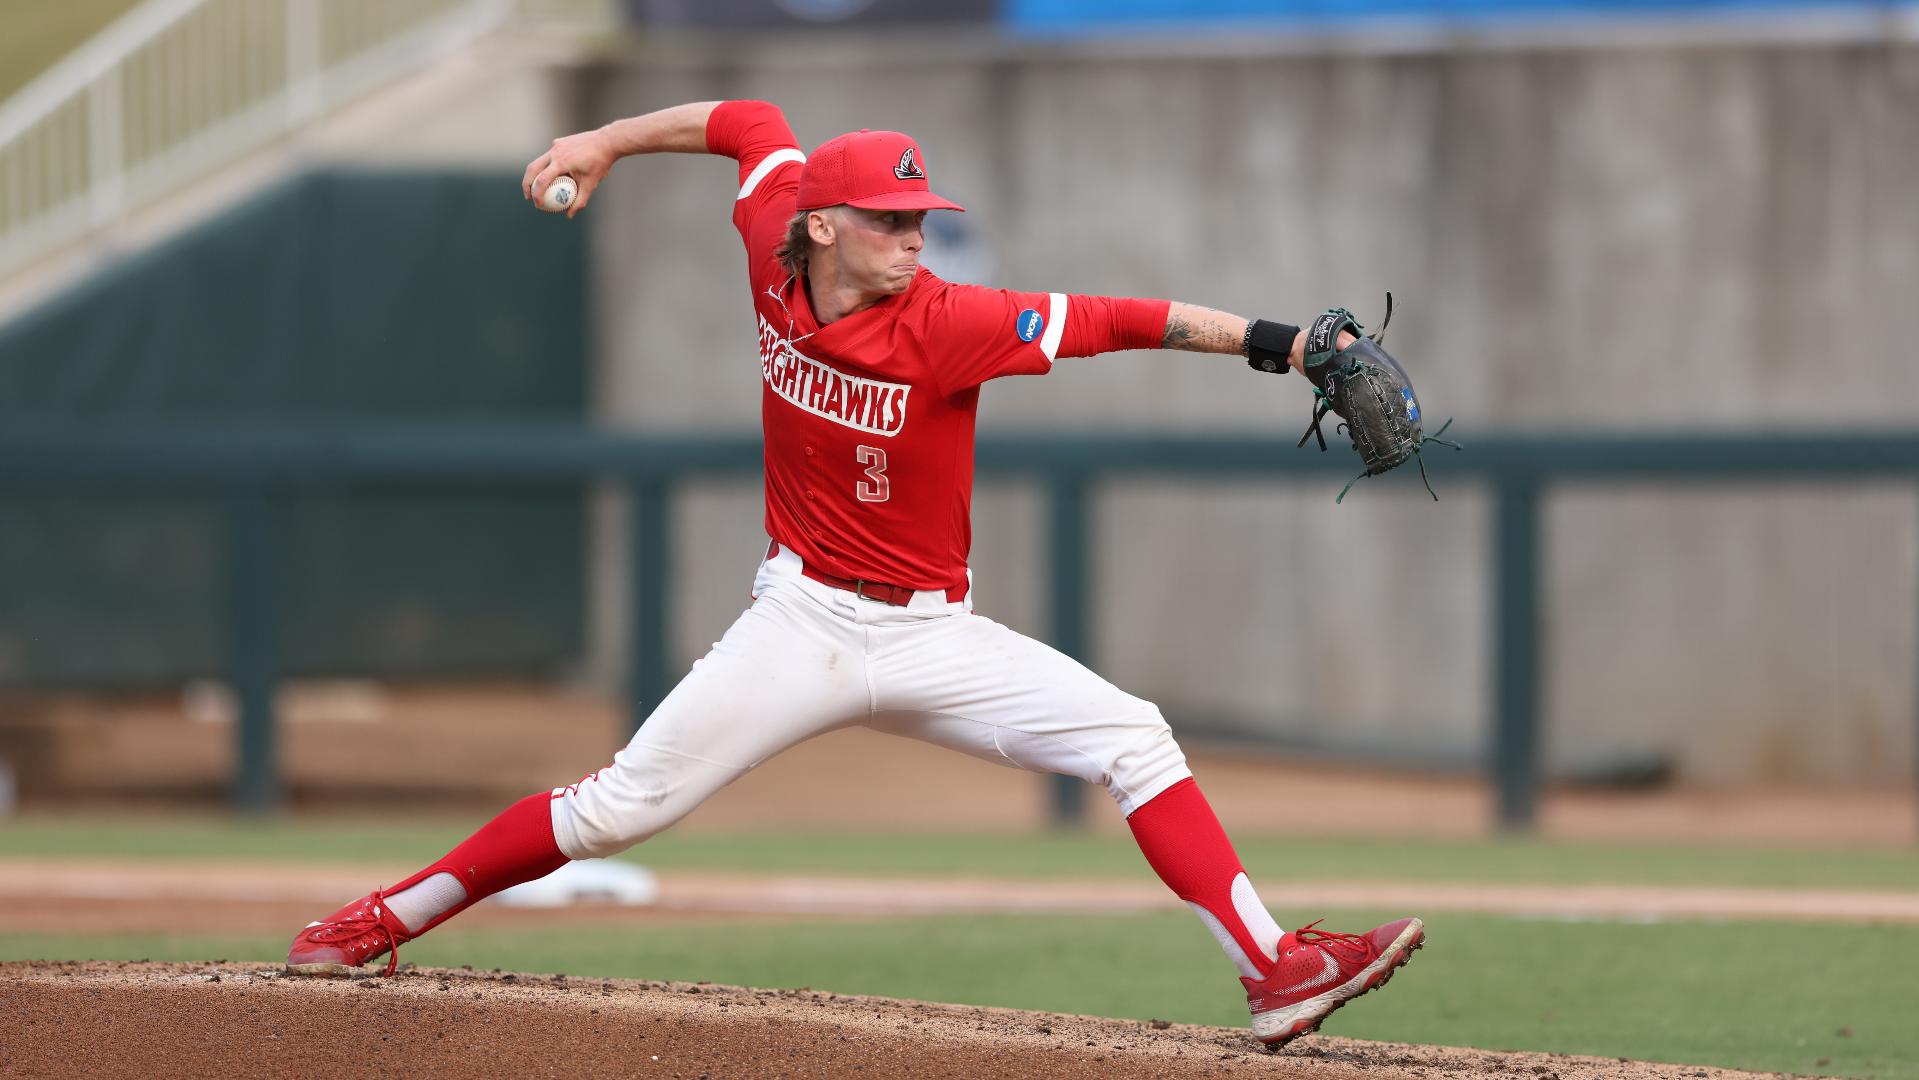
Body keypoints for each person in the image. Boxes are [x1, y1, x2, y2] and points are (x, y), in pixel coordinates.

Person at [284, 99, 1424, 1048]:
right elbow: (746, 121)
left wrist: (1286, 344)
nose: (915, 238)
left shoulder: (952, 320)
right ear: (821, 225)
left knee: (1134, 738)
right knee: (614, 810)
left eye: (922, 218)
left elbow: (1124, 319)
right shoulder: (772, 236)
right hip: (803, 624)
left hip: (935, 635)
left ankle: (1275, 970)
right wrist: (605, 141)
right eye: (890, 219)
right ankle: (374, 921)